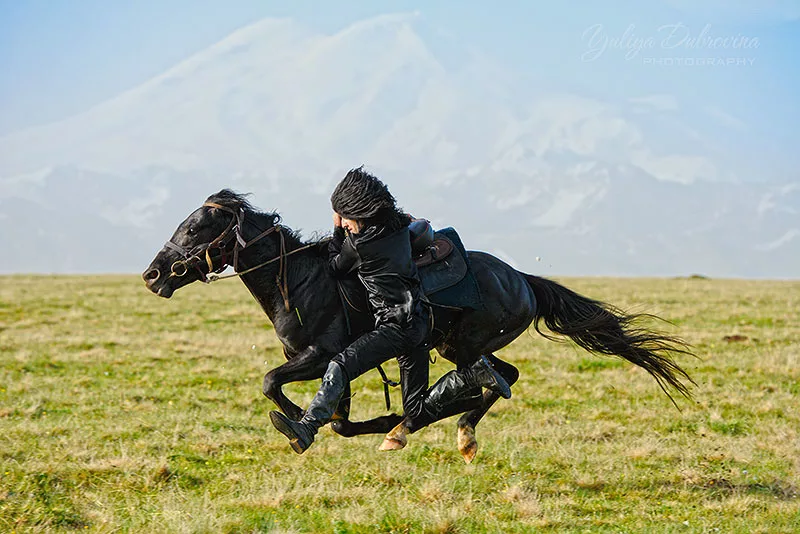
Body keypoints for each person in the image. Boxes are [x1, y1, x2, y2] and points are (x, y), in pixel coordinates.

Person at [269, 166, 511, 454]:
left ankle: (307, 428)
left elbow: (335, 267)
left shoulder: (361, 244)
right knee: (416, 408)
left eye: (345, 216)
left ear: (359, 211)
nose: (345, 223)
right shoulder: (397, 230)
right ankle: (474, 374)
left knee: (340, 365)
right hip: (419, 324)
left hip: (395, 327)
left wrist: (335, 230)